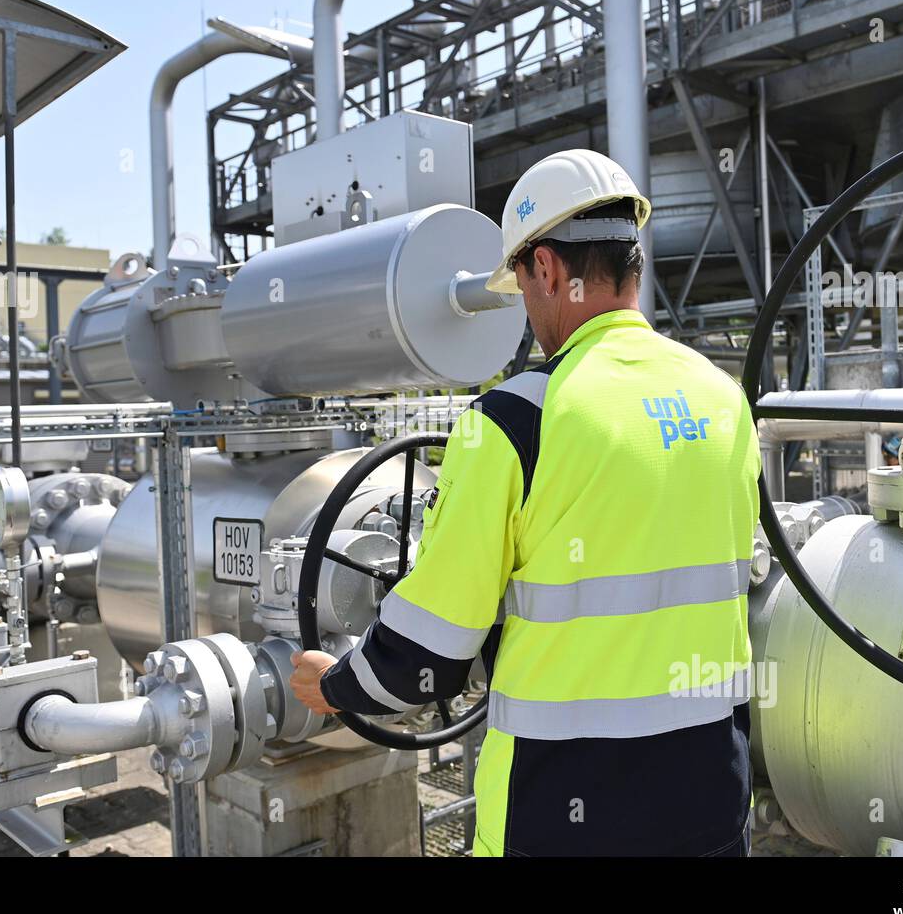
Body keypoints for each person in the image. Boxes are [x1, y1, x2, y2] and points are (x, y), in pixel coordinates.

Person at [291, 148, 762, 856]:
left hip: (564, 808)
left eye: (521, 282)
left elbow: (433, 649)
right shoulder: (724, 400)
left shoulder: (514, 420)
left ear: (544, 268)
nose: (529, 311)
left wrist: (342, 686)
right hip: (710, 794)